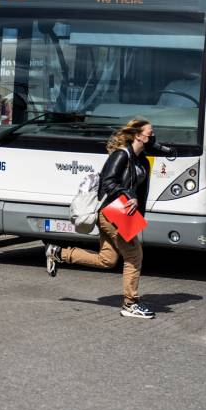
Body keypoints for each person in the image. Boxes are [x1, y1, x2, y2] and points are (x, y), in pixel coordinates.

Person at [44, 117, 158, 319]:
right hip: (112, 213)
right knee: (134, 254)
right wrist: (129, 195)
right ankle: (130, 303)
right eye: (150, 133)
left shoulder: (140, 158)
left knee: (107, 259)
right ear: (138, 136)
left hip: (123, 213)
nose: (153, 135)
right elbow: (108, 183)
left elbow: (141, 187)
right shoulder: (121, 156)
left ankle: (59, 253)